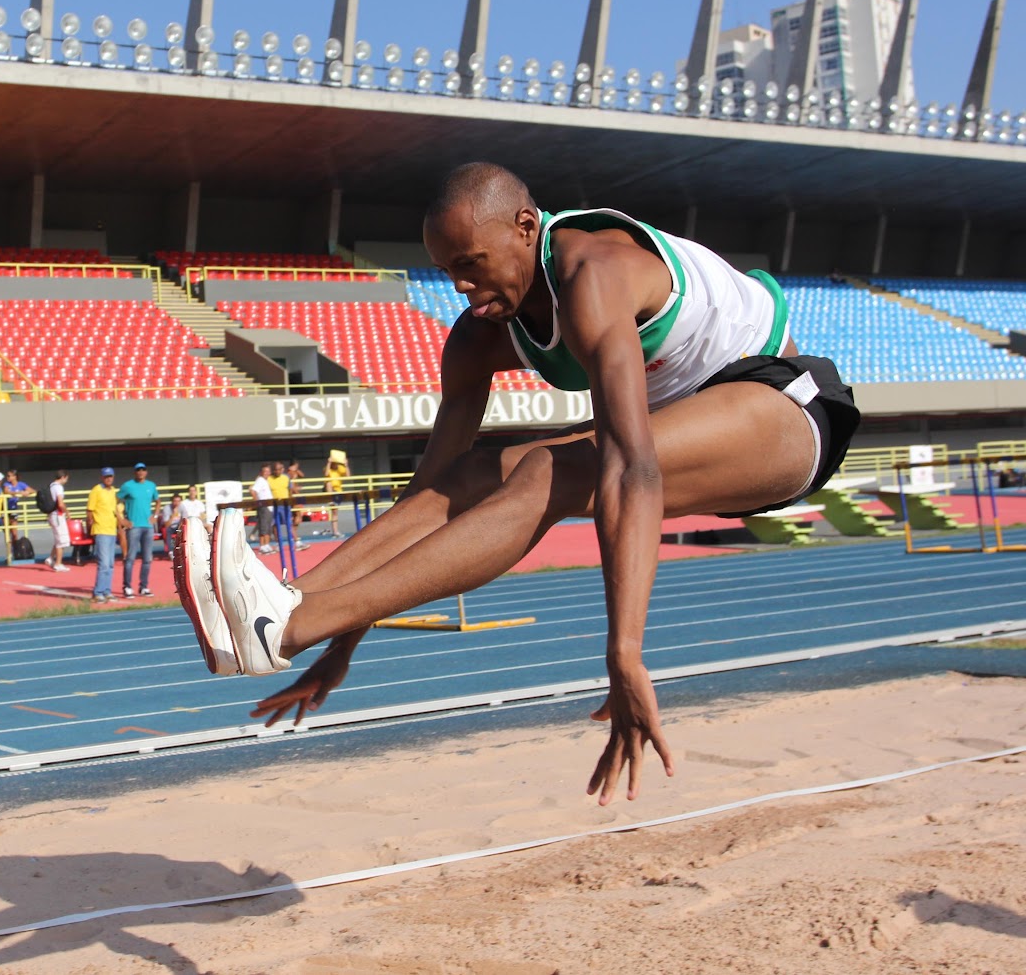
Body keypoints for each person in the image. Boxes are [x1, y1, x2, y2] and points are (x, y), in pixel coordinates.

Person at [174, 162, 860, 806]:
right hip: (693, 424)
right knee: (471, 475)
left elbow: (633, 464)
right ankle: (284, 613)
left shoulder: (593, 274)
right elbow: (430, 498)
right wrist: (342, 640)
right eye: (448, 273)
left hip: (787, 406)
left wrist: (624, 651)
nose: (463, 290)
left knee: (549, 469)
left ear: (526, 228)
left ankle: (289, 624)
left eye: (472, 265)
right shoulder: (477, 338)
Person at [117, 462, 160, 597]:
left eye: (143, 470)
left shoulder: (151, 486)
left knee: (147, 558)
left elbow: (158, 501)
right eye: (138, 470)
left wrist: (156, 515)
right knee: (130, 557)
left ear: (146, 472)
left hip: (148, 527)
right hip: (133, 526)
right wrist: (121, 519)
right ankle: (127, 587)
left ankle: (144, 587)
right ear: (135, 472)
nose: (141, 472)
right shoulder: (128, 486)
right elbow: (115, 501)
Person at [86, 467, 120, 602]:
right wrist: (90, 528)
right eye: (106, 477)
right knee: (104, 563)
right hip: (101, 529)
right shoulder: (96, 490)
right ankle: (98, 592)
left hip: (112, 530)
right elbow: (89, 510)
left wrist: (120, 526)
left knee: (111, 564)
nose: (109, 479)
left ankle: (107, 590)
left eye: (111, 476)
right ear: (102, 477)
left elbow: (115, 511)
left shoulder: (112, 491)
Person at [45, 470, 71, 573]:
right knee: (62, 540)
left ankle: (51, 558)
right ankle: (58, 563)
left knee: (57, 538)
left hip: (52, 515)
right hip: (58, 516)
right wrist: (67, 512)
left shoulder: (51, 486)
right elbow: (60, 503)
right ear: (63, 477)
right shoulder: (59, 487)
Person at [249, 465, 275, 554]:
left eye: (269, 471)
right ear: (261, 472)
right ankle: (262, 545)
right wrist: (257, 502)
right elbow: (253, 490)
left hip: (269, 506)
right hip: (264, 506)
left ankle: (267, 544)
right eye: (265, 471)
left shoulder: (265, 481)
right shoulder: (260, 480)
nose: (267, 473)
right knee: (263, 527)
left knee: (268, 527)